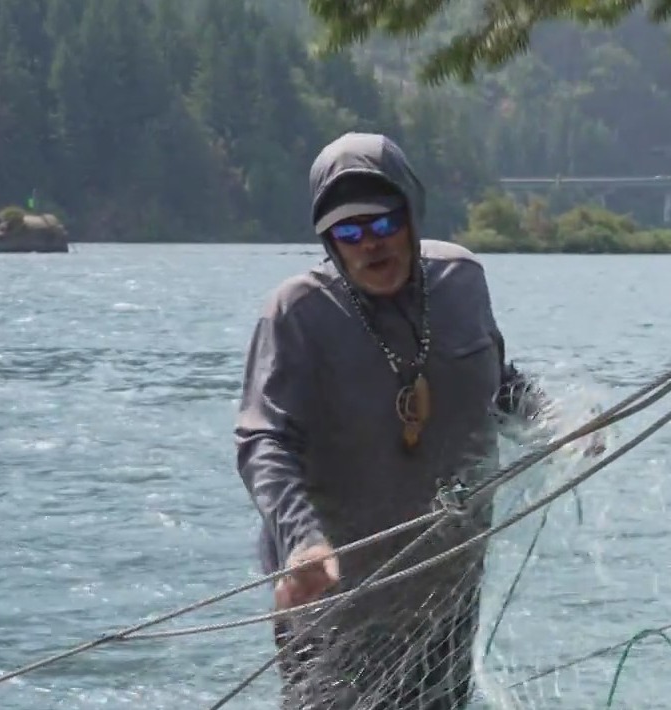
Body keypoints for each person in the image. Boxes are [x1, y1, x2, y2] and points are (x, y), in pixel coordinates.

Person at [234, 132, 603, 710]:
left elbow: (495, 381)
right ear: (329, 241)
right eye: (348, 234)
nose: (369, 247)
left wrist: (557, 423)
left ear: (411, 211)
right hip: (336, 595)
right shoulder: (297, 314)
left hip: (445, 584)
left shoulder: (461, 281)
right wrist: (302, 542)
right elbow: (264, 440)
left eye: (382, 225)